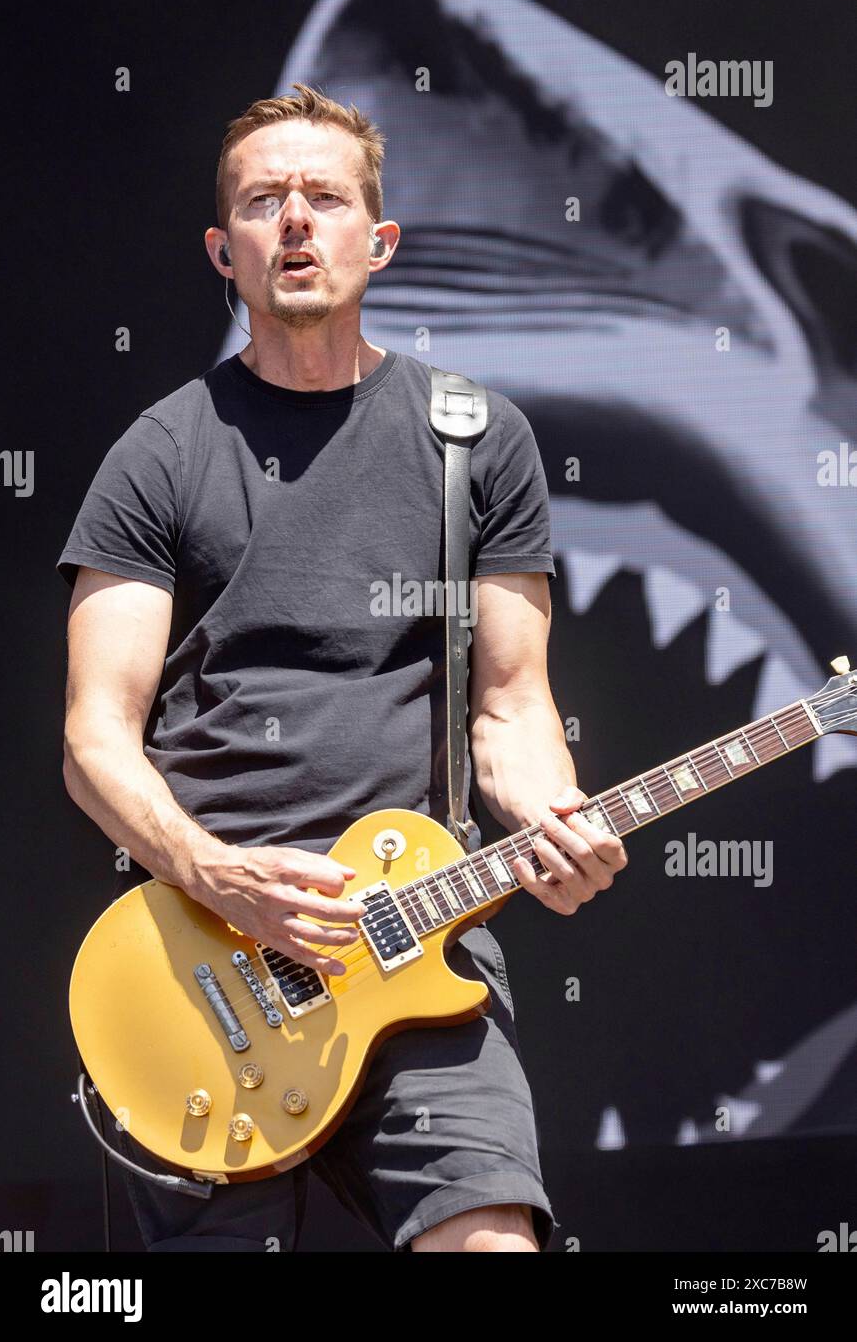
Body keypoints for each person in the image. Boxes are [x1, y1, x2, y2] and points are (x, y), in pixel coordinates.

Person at [57, 84, 628, 1253]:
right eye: (264, 202)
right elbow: (93, 740)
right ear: (225, 252)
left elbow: (511, 708)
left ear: (382, 240)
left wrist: (555, 817)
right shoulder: (158, 454)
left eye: (325, 196)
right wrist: (217, 873)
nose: (297, 223)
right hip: (206, 971)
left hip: (422, 947)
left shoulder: (476, 440)